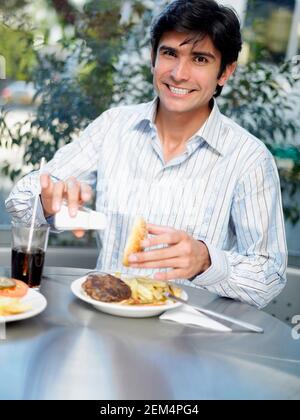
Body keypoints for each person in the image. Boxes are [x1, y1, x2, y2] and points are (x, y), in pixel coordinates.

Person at [6, 0, 287, 308]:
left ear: (224, 72)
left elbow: (269, 276)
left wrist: (206, 260)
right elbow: (20, 200)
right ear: (153, 58)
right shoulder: (113, 126)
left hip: (191, 341)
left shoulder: (249, 158)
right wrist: (45, 201)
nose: (179, 73)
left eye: (200, 59)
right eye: (170, 53)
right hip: (104, 321)